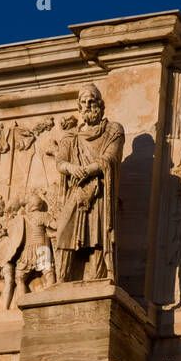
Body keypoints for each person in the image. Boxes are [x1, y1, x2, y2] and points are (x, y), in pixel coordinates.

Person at [55, 84, 124, 282]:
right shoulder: (70, 136)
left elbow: (110, 158)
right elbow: (60, 162)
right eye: (83, 102)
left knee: (98, 235)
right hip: (76, 189)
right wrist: (72, 168)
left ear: (100, 105)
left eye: (92, 101)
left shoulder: (113, 130)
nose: (87, 105)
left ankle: (98, 278)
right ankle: (62, 279)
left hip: (99, 191)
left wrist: (86, 170)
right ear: (79, 106)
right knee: (63, 232)